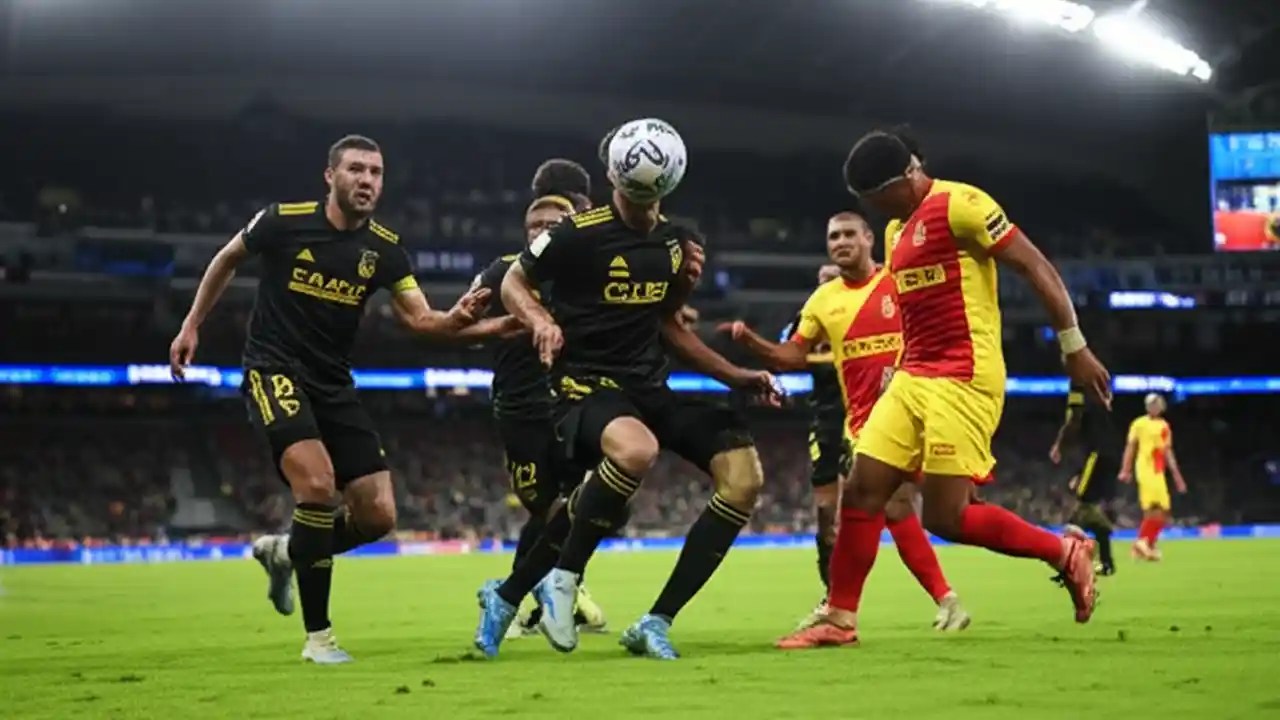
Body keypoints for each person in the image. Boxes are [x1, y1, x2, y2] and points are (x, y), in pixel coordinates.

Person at [168, 134, 500, 664]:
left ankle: (287, 552)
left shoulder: (386, 250)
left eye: (376, 172)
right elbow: (227, 259)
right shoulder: (282, 220)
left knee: (378, 516)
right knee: (318, 486)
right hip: (274, 369)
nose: (367, 181)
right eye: (356, 170)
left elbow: (420, 319)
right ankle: (318, 638)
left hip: (334, 383)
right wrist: (191, 325)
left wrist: (461, 320)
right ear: (330, 176)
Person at [787, 130, 1113, 648]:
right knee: (865, 488)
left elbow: (1034, 265)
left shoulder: (962, 204)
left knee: (947, 516)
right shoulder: (895, 232)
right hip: (912, 375)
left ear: (904, 178)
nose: (871, 211)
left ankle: (1064, 552)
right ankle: (840, 618)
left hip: (963, 376)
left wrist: (1074, 347)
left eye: (873, 199)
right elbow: (905, 308)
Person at [494, 118, 778, 660]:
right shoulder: (577, 232)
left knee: (744, 479)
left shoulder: (677, 243)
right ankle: (560, 580)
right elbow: (514, 280)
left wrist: (737, 375)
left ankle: (655, 621)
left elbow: (670, 326)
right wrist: (540, 321)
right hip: (584, 387)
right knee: (628, 456)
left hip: (649, 388)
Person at [720, 211, 968, 642]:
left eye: (848, 235)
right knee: (832, 514)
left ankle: (848, 607)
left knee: (911, 508)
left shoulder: (890, 287)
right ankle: (844, 600)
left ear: (868, 239)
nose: (839, 246)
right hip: (832, 417)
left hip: (892, 415)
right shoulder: (819, 307)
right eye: (833, 237)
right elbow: (789, 352)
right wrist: (752, 341)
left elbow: (924, 329)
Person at [470, 159, 608, 645]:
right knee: (549, 508)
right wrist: (502, 323)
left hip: (569, 403)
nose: (543, 231)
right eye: (535, 224)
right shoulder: (503, 271)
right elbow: (457, 327)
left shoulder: (582, 272)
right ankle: (537, 590)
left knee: (586, 502)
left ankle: (520, 593)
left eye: (553, 224)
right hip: (520, 407)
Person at [1049, 380, 1120, 575]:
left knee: (1080, 508)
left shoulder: (1079, 388)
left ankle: (1071, 560)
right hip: (1110, 455)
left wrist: (1059, 445)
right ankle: (1105, 561)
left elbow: (1074, 419)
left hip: (1096, 455)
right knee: (1089, 508)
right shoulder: (1100, 393)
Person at [1119, 393, 1188, 561]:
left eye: (1156, 404)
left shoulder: (1164, 426)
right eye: (1150, 404)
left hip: (1158, 471)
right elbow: (1131, 446)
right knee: (1152, 507)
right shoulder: (1139, 424)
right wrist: (1125, 469)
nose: (1153, 407)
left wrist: (1177, 476)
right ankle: (1145, 543)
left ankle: (1144, 544)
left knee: (1163, 509)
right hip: (1145, 468)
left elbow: (1167, 452)